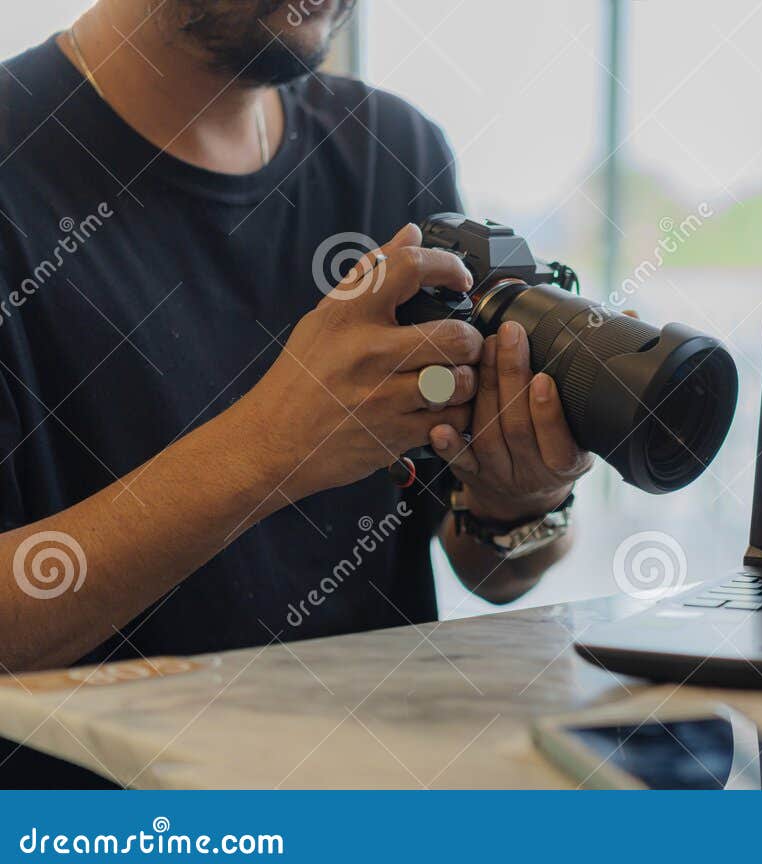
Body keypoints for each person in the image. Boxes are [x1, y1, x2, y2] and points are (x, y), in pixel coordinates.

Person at [0, 0, 591, 674]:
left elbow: (490, 572)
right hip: (112, 746)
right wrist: (272, 447)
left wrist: (523, 502)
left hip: (387, 735)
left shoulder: (391, 147)